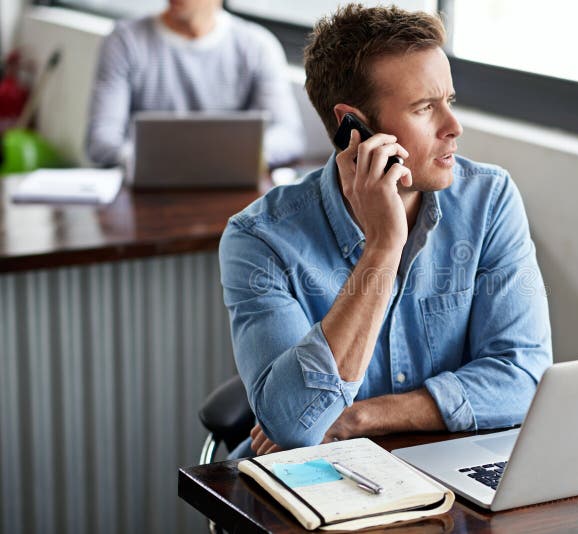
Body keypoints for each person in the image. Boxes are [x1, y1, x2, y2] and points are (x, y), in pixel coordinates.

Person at [219, 4, 552, 457]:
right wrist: (383, 246)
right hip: (311, 480)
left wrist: (358, 417)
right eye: (424, 108)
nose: (453, 127)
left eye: (449, 102)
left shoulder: (489, 200)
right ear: (353, 127)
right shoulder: (259, 238)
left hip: (445, 467)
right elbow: (295, 424)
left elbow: (524, 378)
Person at [85, 0, 304, 168]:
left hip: (229, 193)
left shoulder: (257, 45)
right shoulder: (124, 40)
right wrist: (151, 162)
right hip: (148, 192)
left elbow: (289, 135)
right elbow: (101, 139)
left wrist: (231, 159)